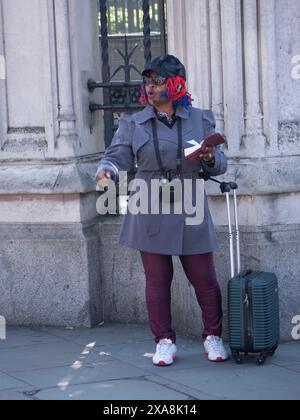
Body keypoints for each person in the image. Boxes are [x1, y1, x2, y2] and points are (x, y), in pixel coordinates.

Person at [95, 54, 229, 366]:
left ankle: (213, 336)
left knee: (204, 278)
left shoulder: (200, 118)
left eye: (158, 81)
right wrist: (108, 170)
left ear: (175, 84)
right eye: (148, 82)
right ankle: (164, 341)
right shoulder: (133, 123)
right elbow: (117, 156)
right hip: (149, 203)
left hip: (190, 202)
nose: (151, 87)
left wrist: (209, 158)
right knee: (157, 280)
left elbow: (221, 164)